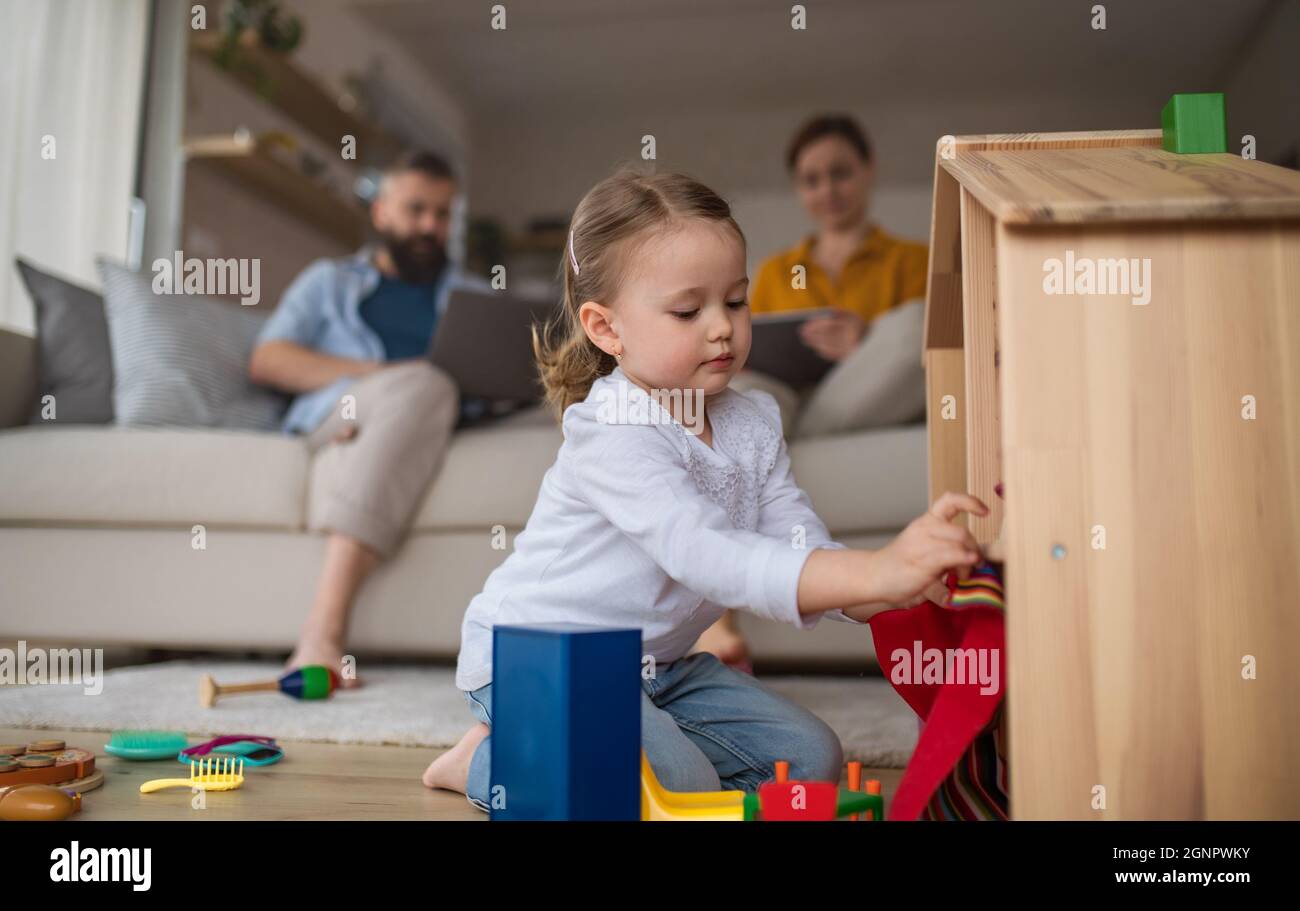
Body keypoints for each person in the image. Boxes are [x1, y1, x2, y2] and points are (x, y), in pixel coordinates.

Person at [420, 169, 985, 808]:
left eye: (736, 301)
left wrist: (899, 582)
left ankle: (585, 743)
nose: (721, 327)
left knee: (810, 762)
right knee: (675, 788)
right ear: (606, 329)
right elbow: (707, 555)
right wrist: (878, 570)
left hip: (658, 668)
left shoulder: (754, 421)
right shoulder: (613, 430)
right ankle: (483, 760)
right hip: (536, 665)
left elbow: (797, 539)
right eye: (689, 310)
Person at [248, 150, 499, 686]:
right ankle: (320, 634)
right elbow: (268, 359)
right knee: (425, 382)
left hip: (442, 415)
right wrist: (382, 373)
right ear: (382, 212)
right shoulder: (329, 282)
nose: (431, 226)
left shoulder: (473, 295)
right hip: (348, 410)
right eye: (416, 210)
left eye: (442, 214)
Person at [697, 114, 931, 670]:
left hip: (859, 398)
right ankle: (716, 619)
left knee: (913, 325)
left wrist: (864, 341)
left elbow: (916, 359)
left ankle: (760, 439)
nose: (827, 190)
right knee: (739, 392)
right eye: (812, 179)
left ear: (869, 172)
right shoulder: (777, 272)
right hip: (782, 401)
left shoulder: (912, 261)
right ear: (799, 189)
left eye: (841, 173)